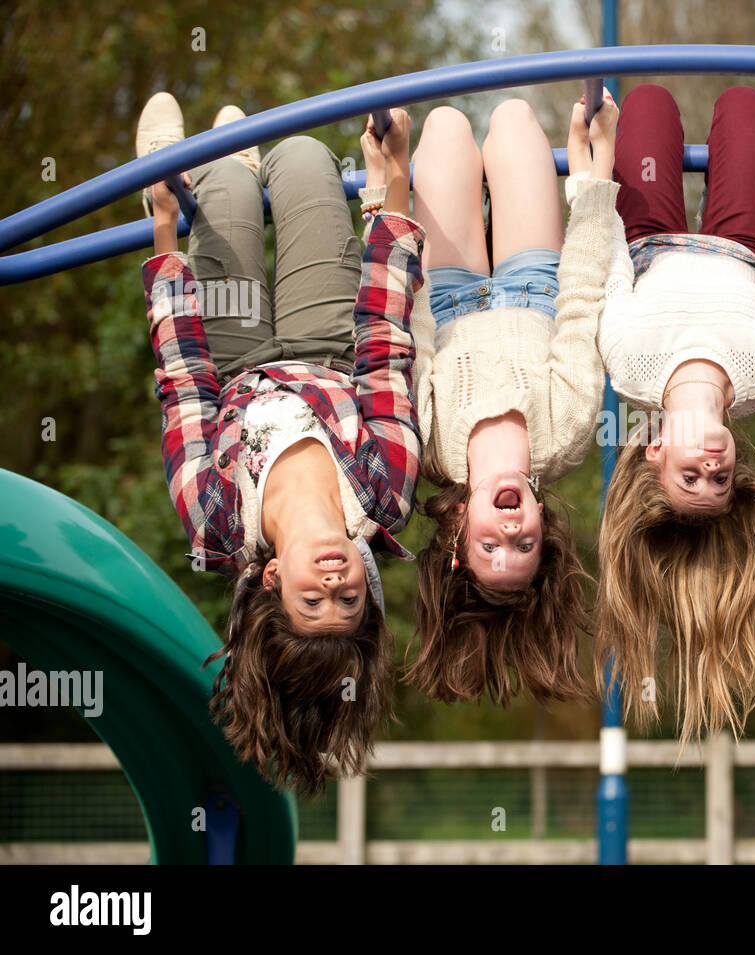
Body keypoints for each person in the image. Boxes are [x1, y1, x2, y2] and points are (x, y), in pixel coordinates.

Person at [136, 92, 424, 794]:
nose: (332, 587)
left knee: (224, 187)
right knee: (300, 156)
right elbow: (386, 352)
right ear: (368, 588)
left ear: (271, 583)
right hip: (326, 342)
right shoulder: (385, 491)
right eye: (348, 604)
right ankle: (241, 160)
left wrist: (164, 235)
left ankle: (205, 177)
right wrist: (393, 187)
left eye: (311, 602)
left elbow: (183, 386)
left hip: (233, 360)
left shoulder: (215, 518)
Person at [567, 84, 755, 743]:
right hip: (739, 241)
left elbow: (608, 263)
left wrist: (592, 173)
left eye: (691, 478)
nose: (712, 469)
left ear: (655, 453)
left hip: (648, 238)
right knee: (744, 104)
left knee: (648, 102)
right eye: (720, 482)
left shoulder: (628, 365)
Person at [404, 92, 615, 705]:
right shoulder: (567, 433)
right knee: (516, 118)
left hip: (444, 291)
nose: (510, 527)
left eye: (490, 544)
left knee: (443, 126)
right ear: (545, 527)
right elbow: (581, 305)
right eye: (524, 545)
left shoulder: (429, 448)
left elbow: (410, 336)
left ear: (455, 540)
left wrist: (389, 211)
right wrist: (593, 188)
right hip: (534, 285)